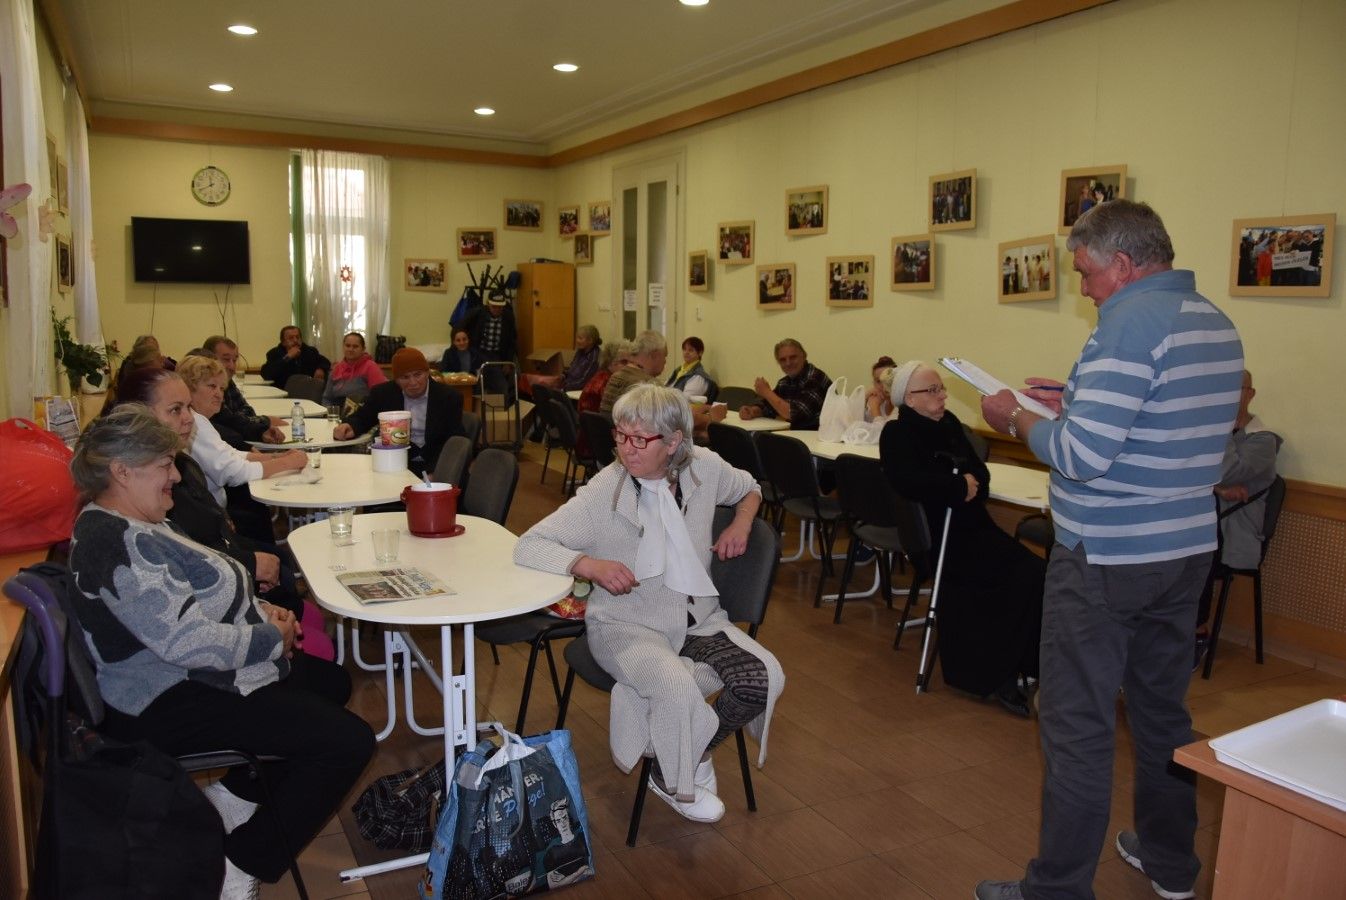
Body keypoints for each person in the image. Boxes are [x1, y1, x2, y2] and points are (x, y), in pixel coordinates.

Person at [976, 200, 1243, 900]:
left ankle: (1057, 888)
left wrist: (1017, 419)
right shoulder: (1214, 321)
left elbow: (1082, 456)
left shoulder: (1125, 326)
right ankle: (1171, 864)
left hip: (1107, 557)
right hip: (1185, 552)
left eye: (1088, 272)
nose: (1084, 288)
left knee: (1077, 727)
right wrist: (1078, 399)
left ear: (1124, 263)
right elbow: (1163, 424)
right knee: (1162, 714)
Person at [67, 407, 374, 898]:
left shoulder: (135, 521)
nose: (174, 474)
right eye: (165, 464)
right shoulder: (114, 542)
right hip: (163, 697)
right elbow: (187, 642)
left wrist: (263, 613)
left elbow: (196, 599)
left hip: (185, 672)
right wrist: (269, 636)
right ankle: (239, 863)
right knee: (349, 743)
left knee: (330, 683)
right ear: (121, 472)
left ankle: (236, 794)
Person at [514, 384, 784, 822]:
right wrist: (588, 564)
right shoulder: (608, 489)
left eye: (640, 439)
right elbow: (530, 545)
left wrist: (741, 524)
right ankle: (677, 779)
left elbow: (750, 488)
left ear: (675, 441)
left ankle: (678, 757)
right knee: (675, 687)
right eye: (621, 435)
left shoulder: (705, 469)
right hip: (625, 626)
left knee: (762, 680)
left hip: (697, 619)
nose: (625, 448)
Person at [880, 361, 1042, 717]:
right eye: (933, 390)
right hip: (939, 536)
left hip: (972, 526)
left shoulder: (950, 424)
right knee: (1023, 574)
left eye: (941, 388)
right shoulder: (897, 434)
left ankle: (1028, 664)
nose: (942, 396)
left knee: (1035, 570)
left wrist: (971, 483)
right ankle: (997, 673)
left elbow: (980, 471)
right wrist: (957, 485)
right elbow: (907, 482)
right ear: (910, 398)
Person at [109, 366, 302, 615]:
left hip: (219, 556)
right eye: (176, 409)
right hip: (215, 579)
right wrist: (250, 565)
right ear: (139, 415)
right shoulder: (147, 484)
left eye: (188, 407)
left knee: (280, 564)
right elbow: (187, 555)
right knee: (281, 573)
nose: (189, 418)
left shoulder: (180, 461)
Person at [1194, 369, 1282, 667]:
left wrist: (1222, 429)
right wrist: (1218, 488)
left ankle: (1196, 632)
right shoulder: (1207, 431)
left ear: (1251, 394)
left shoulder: (1263, 441)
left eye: (1238, 388)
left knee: (1196, 547)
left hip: (1233, 533)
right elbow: (1188, 468)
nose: (1230, 394)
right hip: (1205, 522)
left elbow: (1223, 470)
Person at [177, 355, 307, 506]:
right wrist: (287, 462)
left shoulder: (199, 419)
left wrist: (276, 456)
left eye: (222, 388)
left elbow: (230, 454)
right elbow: (232, 472)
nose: (219, 394)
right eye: (212, 386)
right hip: (211, 511)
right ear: (189, 388)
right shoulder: (195, 423)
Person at [333, 347, 465, 476]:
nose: (413, 382)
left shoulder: (448, 397)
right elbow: (363, 417)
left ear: (427, 373)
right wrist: (349, 426)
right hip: (395, 461)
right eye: (405, 377)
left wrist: (437, 471)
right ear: (396, 380)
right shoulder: (383, 393)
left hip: (435, 459)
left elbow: (455, 440)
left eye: (418, 375)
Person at [738, 338, 832, 431]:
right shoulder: (784, 382)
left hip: (821, 439)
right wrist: (752, 411)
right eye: (783, 360)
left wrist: (767, 392)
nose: (788, 363)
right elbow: (769, 408)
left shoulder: (815, 378)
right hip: (796, 435)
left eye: (793, 357)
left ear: (804, 356)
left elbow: (794, 414)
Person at [204, 334, 285, 437]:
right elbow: (229, 422)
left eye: (234, 360)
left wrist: (239, 419)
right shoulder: (206, 389)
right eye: (226, 359)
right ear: (209, 359)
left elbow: (247, 410)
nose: (232, 367)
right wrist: (265, 420)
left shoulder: (227, 382)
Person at [600, 330, 668, 416]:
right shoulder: (650, 385)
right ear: (654, 355)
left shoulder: (616, 376)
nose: (665, 361)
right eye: (665, 356)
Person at [322, 331, 386, 406]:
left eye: (355, 346)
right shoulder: (336, 369)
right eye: (348, 346)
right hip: (336, 414)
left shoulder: (370, 367)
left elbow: (380, 396)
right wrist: (330, 413)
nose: (351, 349)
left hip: (362, 413)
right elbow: (327, 398)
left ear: (363, 349)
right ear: (343, 347)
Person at [261, 325, 331, 386]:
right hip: (283, 393)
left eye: (298, 337)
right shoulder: (274, 353)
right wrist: (287, 357)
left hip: (307, 392)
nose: (295, 340)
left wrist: (321, 369)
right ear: (283, 342)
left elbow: (325, 361)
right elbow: (267, 374)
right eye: (291, 338)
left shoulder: (310, 351)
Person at [560, 325, 603, 392]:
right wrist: (563, 376)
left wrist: (564, 387)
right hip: (569, 386)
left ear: (590, 341)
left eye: (580, 338)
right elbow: (572, 368)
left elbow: (584, 382)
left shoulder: (594, 357)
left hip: (579, 391)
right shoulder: (580, 351)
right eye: (577, 338)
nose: (577, 341)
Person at [864, 355, 898, 422]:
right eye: (878, 381)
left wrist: (875, 409)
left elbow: (885, 432)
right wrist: (865, 398)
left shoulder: (902, 405)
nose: (883, 385)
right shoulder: (874, 399)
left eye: (886, 379)